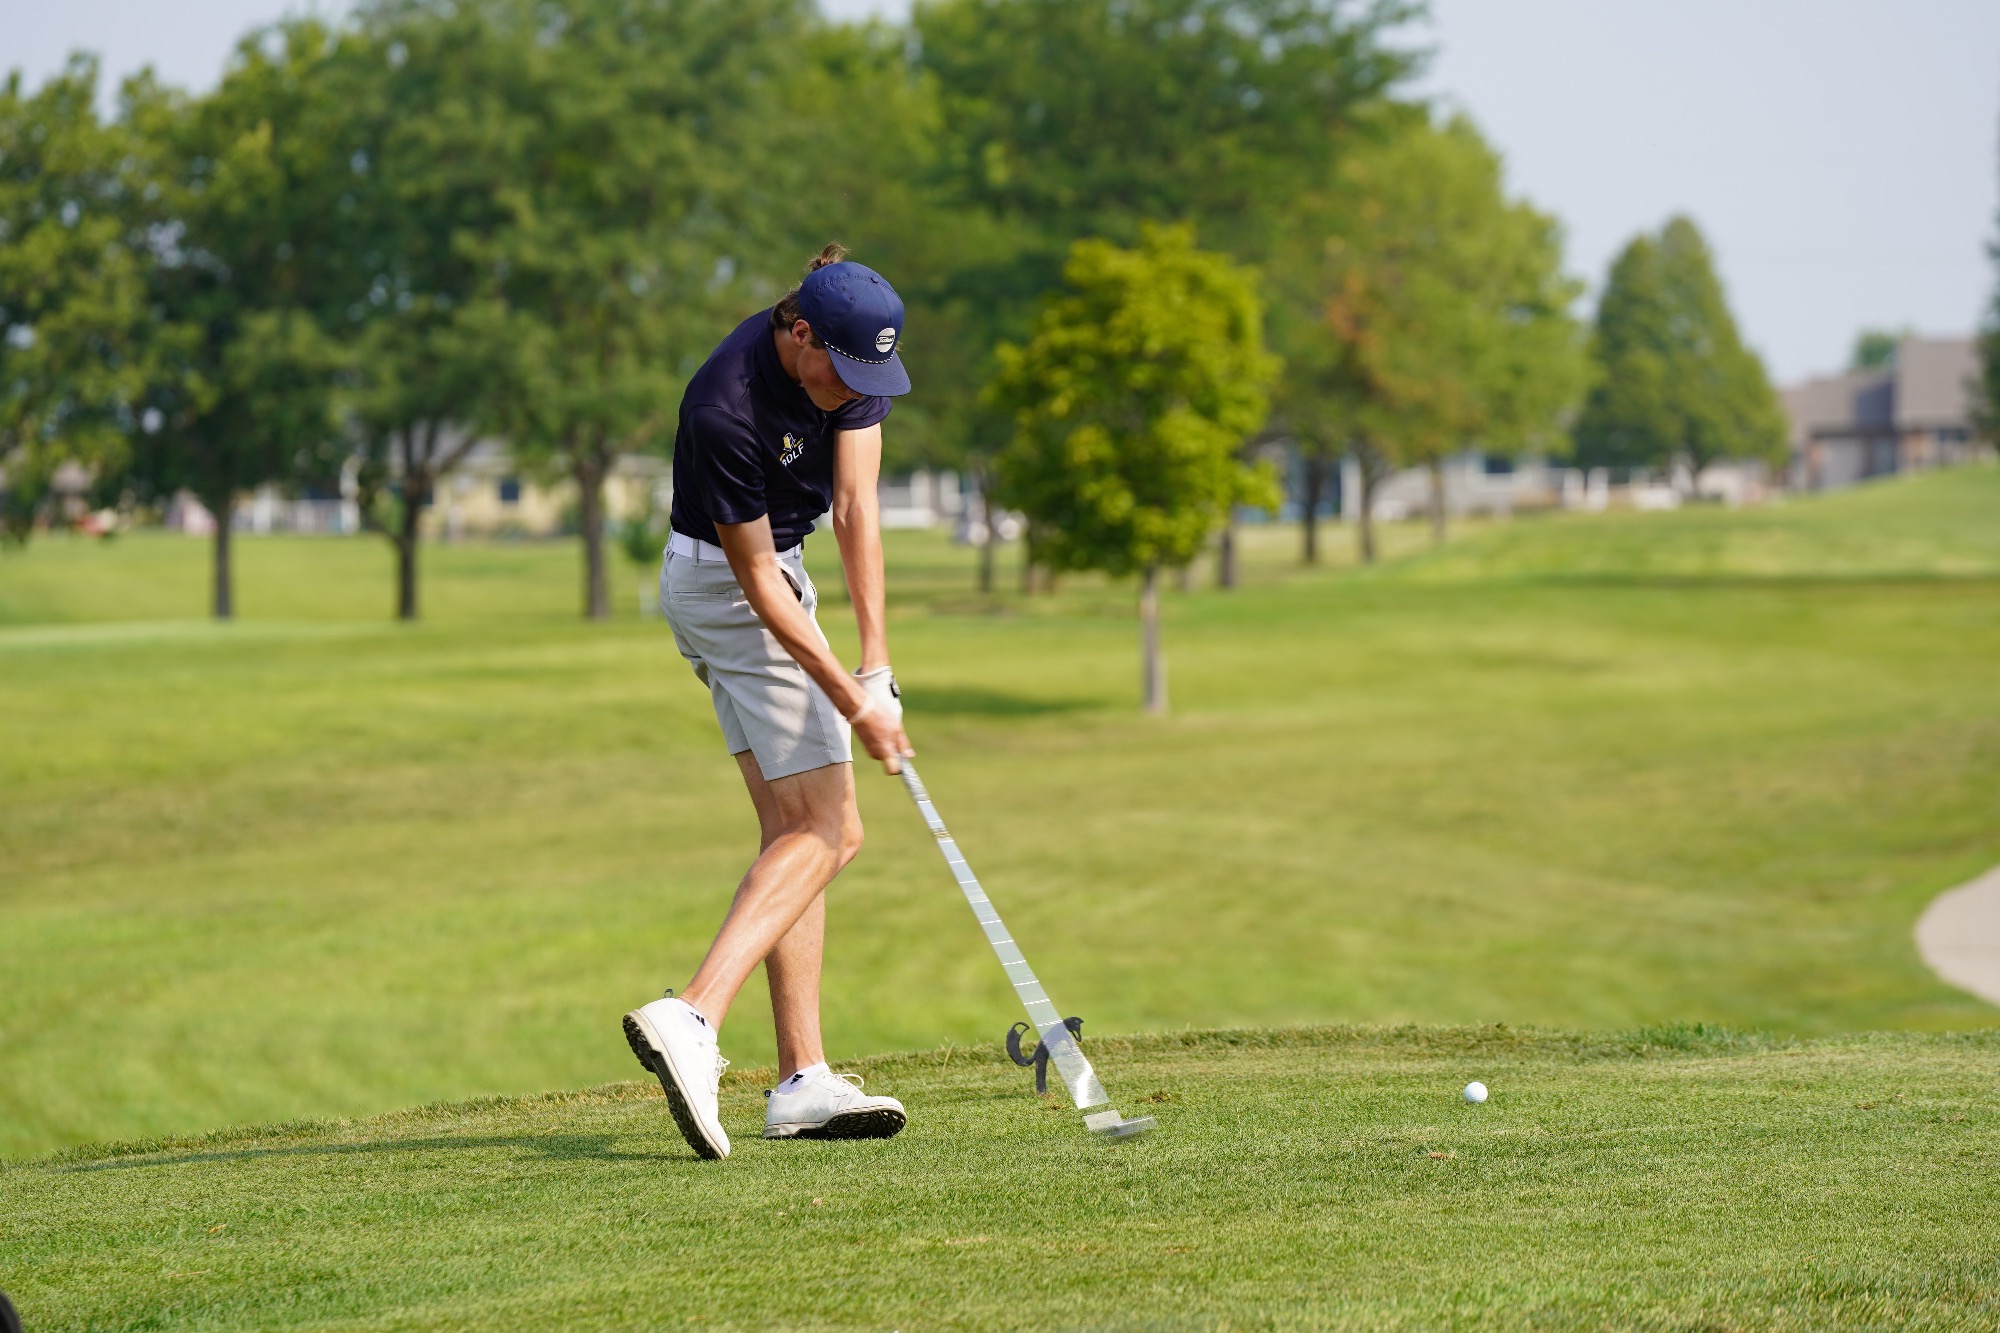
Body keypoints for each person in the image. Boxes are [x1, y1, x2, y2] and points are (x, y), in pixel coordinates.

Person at [623, 245, 917, 1161]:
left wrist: (875, 666)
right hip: (730, 587)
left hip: (767, 580)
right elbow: (757, 584)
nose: (855, 390)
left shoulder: (852, 361)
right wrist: (851, 702)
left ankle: (802, 1080)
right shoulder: (725, 405)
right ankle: (694, 1014)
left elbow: (857, 508)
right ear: (798, 335)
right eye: (843, 369)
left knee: (794, 832)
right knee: (834, 829)